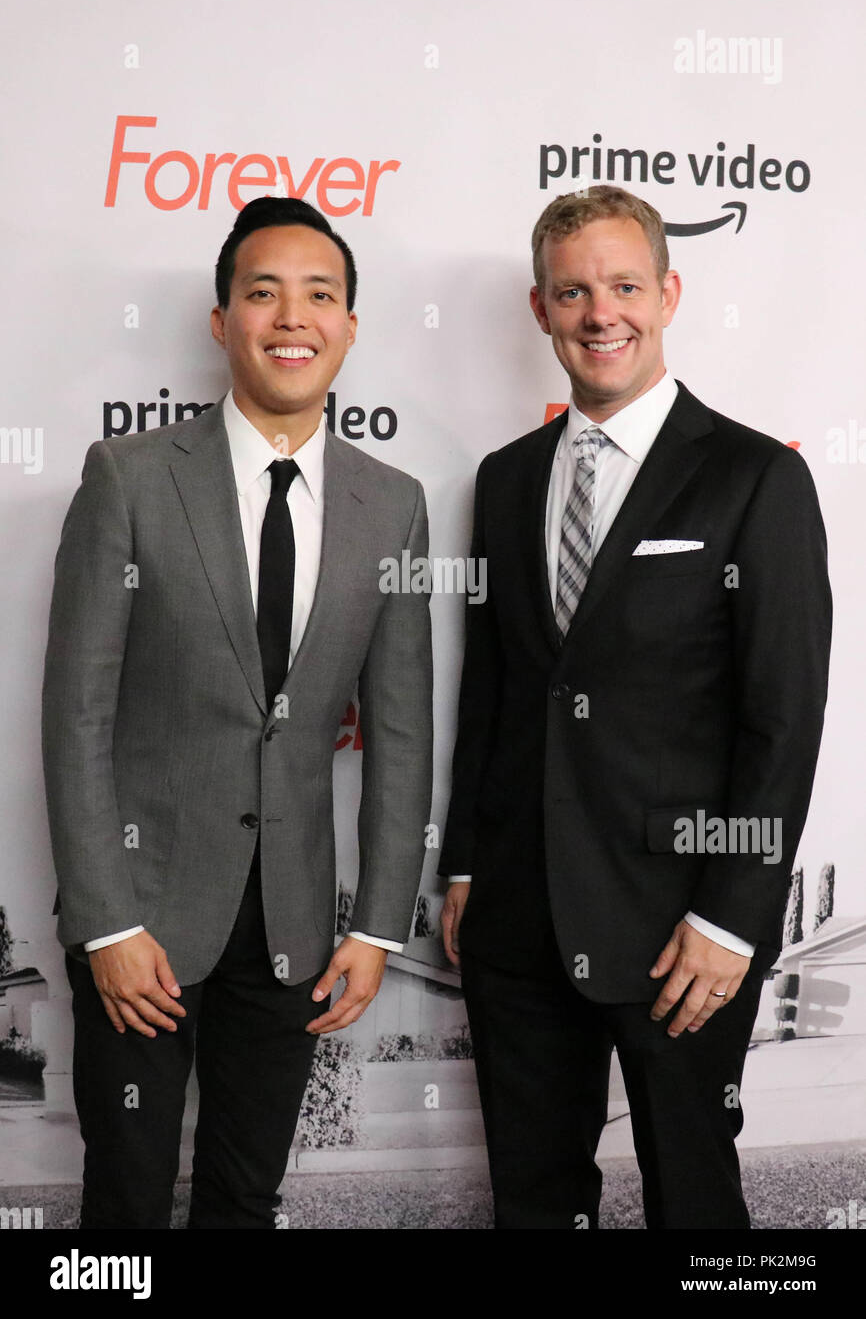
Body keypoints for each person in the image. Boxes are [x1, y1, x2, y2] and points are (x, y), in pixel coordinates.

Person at [439, 185, 831, 1229]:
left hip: (678, 927)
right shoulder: (506, 478)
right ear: (539, 309)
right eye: (571, 292)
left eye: (620, 286)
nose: (597, 313)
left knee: (692, 1199)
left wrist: (730, 917)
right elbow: (494, 686)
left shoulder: (754, 477)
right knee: (533, 1197)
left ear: (666, 293)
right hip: (518, 916)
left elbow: (782, 721)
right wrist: (468, 863)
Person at [42, 195, 433, 1229]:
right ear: (222, 321)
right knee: (123, 1200)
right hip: (144, 916)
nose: (290, 316)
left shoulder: (390, 504)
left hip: (296, 927)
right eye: (262, 293)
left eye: (320, 295)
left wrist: (379, 925)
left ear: (349, 325)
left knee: (243, 1196)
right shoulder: (127, 477)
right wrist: (106, 920)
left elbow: (399, 733)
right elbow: (74, 711)